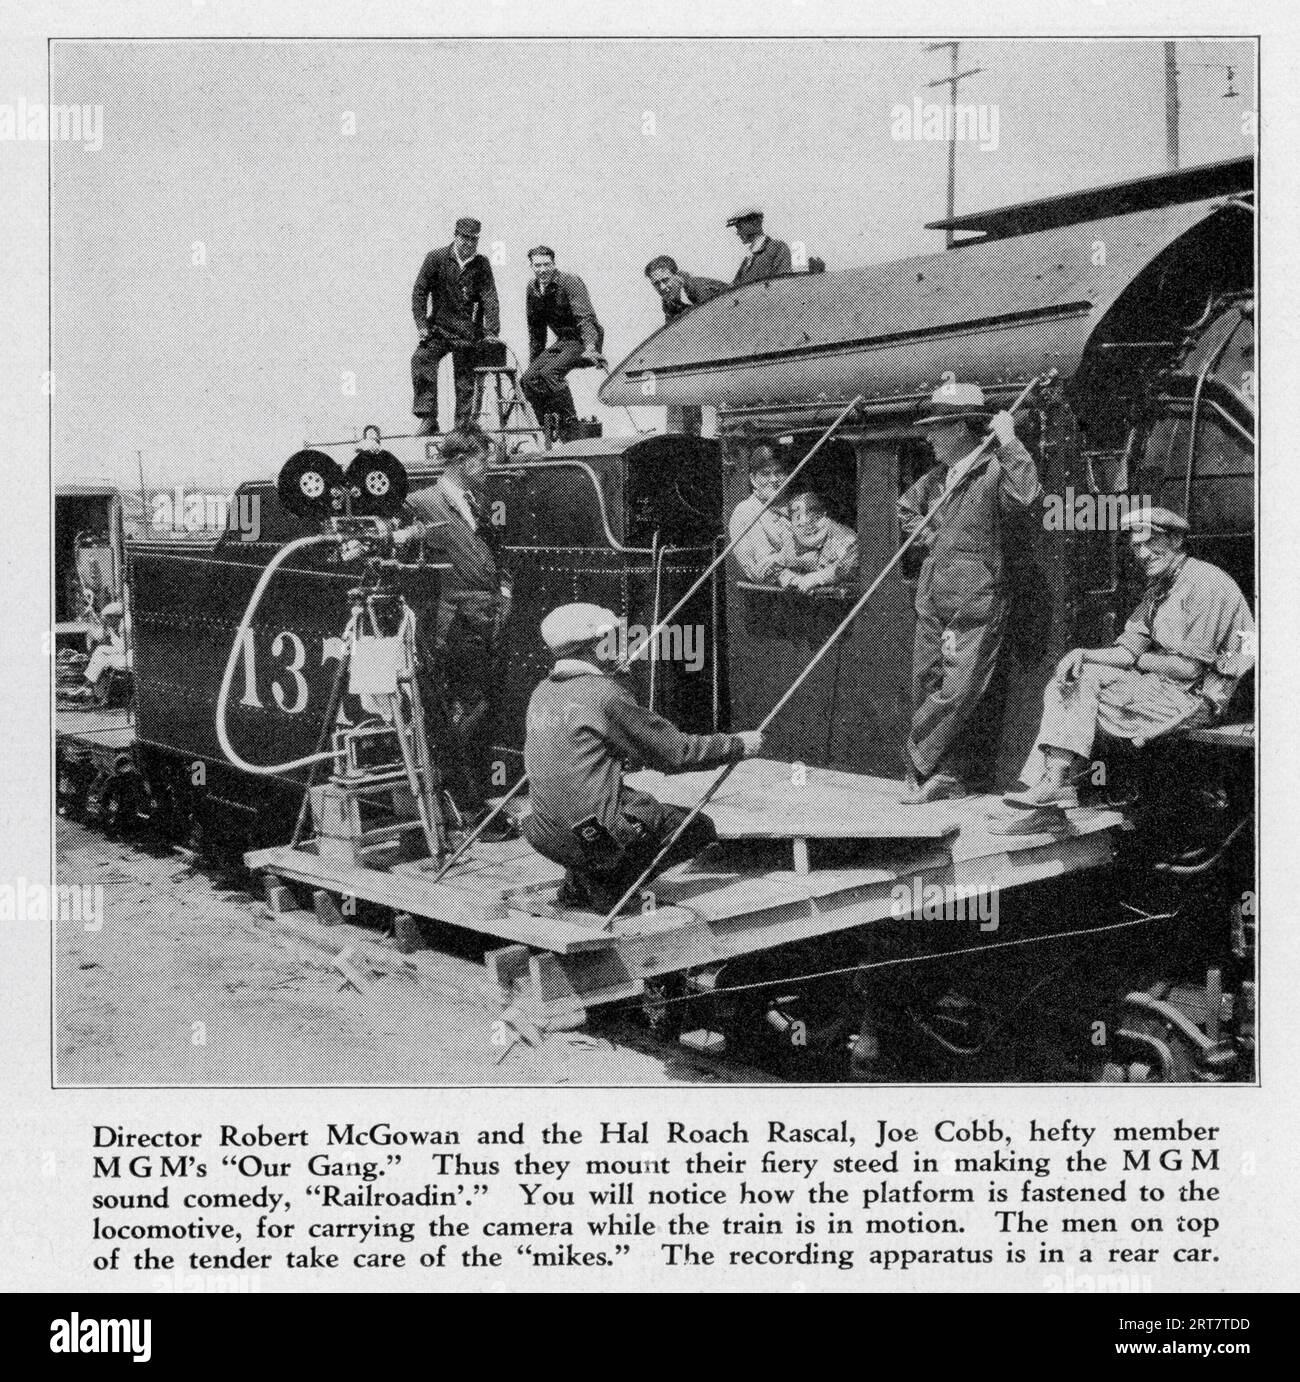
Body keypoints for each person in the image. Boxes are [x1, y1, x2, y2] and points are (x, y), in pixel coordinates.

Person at [995, 508, 1254, 824]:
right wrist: (1082, 653)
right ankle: (1050, 778)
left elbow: (1190, 670)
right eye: (1136, 547)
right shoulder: (1161, 587)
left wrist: (1137, 661)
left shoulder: (1206, 584)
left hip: (1198, 700)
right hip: (1164, 688)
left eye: (1151, 543)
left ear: (1176, 540)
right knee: (1071, 677)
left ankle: (1056, 778)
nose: (1143, 554)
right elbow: (1130, 646)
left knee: (1084, 687)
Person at [522, 603, 764, 913]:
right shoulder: (604, 695)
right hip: (594, 836)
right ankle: (609, 886)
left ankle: (581, 879)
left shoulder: (542, 692)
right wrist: (739, 746)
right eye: (612, 639)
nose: (620, 646)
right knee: (697, 827)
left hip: (546, 835)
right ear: (595, 647)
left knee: (619, 805)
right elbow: (675, 753)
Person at [898, 381, 1042, 804]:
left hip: (977, 598)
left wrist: (1012, 441)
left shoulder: (996, 468)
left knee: (959, 688)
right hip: (932, 594)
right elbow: (905, 509)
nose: (928, 437)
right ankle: (941, 772)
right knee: (927, 679)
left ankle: (919, 763)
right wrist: (928, 533)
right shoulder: (938, 478)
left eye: (936, 428)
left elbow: (1028, 496)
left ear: (962, 428)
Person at [389, 425, 514, 838]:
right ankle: (465, 802)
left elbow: (491, 555)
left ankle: (466, 798)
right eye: (482, 460)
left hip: (486, 618)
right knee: (462, 711)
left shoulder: (476, 503)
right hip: (451, 624)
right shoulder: (418, 504)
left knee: (482, 708)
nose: (488, 468)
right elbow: (408, 571)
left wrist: (503, 592)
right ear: (460, 461)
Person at [410, 216, 500, 431]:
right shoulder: (436, 258)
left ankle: (461, 429)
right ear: (455, 236)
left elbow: (490, 298)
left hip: (467, 333)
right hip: (439, 329)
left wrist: (491, 331)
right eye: (465, 238)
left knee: (465, 381)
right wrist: (422, 325)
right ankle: (428, 417)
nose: (469, 244)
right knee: (421, 358)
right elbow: (419, 292)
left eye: (474, 240)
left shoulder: (482, 264)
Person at [520, 246, 606, 438]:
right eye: (537, 266)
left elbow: (585, 319)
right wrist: (534, 364)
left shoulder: (570, 282)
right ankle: (548, 426)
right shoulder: (532, 288)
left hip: (583, 339)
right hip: (564, 341)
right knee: (527, 379)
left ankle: (570, 425)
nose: (542, 270)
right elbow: (536, 331)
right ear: (531, 266)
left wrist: (591, 348)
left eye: (546, 265)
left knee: (551, 373)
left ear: (554, 263)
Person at [728, 444, 794, 582]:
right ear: (753, 479)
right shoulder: (746, 513)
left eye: (779, 472)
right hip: (776, 596)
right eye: (765, 474)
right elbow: (764, 567)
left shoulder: (797, 506)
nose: (774, 479)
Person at [775, 492, 859, 592]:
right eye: (800, 524)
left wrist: (818, 577)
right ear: (791, 525)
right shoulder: (792, 541)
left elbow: (851, 566)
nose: (809, 527)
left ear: (825, 515)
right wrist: (792, 579)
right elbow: (774, 566)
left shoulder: (844, 537)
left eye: (815, 518)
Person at [644, 255, 728, 322]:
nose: (662, 287)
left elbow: (715, 321)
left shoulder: (698, 288)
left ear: (677, 276)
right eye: (656, 284)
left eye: (665, 280)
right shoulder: (669, 304)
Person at [727, 209, 793, 286]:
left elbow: (783, 284)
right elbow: (735, 288)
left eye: (740, 227)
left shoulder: (778, 247)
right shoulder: (748, 258)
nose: (738, 233)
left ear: (756, 223)